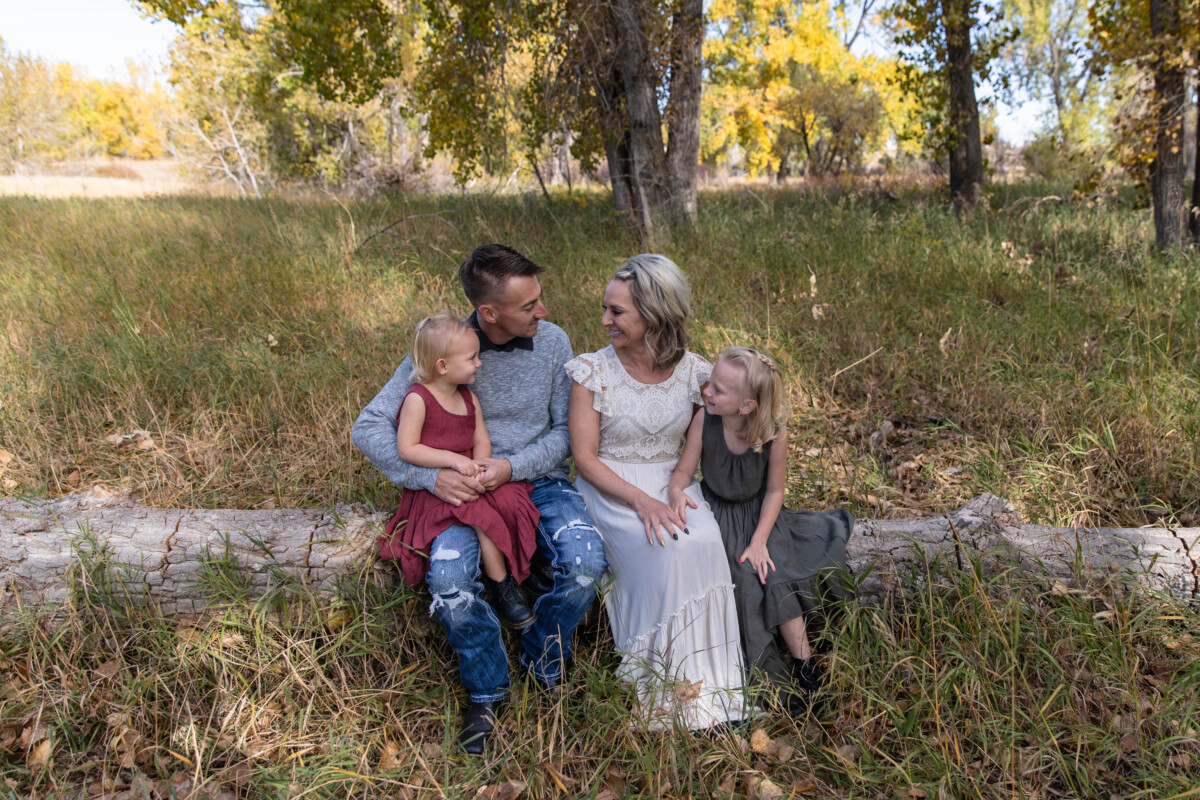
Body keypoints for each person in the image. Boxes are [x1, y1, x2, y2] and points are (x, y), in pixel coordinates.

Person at [352, 245, 607, 755]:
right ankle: (488, 686)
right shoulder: (444, 348)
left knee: (585, 564)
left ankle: (543, 658)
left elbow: (565, 434)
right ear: (488, 313)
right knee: (447, 584)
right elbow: (370, 427)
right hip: (462, 489)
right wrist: (431, 479)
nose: (544, 312)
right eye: (529, 305)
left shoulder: (553, 341)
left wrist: (511, 466)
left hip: (536, 479)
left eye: (539, 299)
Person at [566, 254, 749, 730]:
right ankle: (661, 694)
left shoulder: (696, 373)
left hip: (674, 481)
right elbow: (583, 457)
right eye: (606, 308)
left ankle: (716, 690)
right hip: (612, 489)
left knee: (707, 543)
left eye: (617, 312)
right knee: (664, 550)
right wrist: (640, 501)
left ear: (654, 314)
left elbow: (717, 435)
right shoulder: (592, 372)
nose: (605, 320)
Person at [667, 346, 853, 713]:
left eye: (719, 390)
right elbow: (685, 471)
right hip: (716, 513)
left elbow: (774, 491)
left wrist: (759, 541)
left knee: (776, 574)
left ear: (748, 406)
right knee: (744, 580)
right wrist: (676, 490)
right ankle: (770, 675)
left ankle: (806, 667)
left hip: (762, 518)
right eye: (710, 384)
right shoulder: (706, 420)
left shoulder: (772, 434)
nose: (708, 392)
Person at [380, 314, 539, 629]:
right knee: (483, 518)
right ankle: (503, 586)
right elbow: (408, 448)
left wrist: (480, 467)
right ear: (442, 366)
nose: (480, 363)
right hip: (436, 485)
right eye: (471, 358)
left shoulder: (468, 398)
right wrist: (453, 461)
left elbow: (481, 440)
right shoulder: (418, 398)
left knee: (511, 501)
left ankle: (535, 571)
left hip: (467, 475)